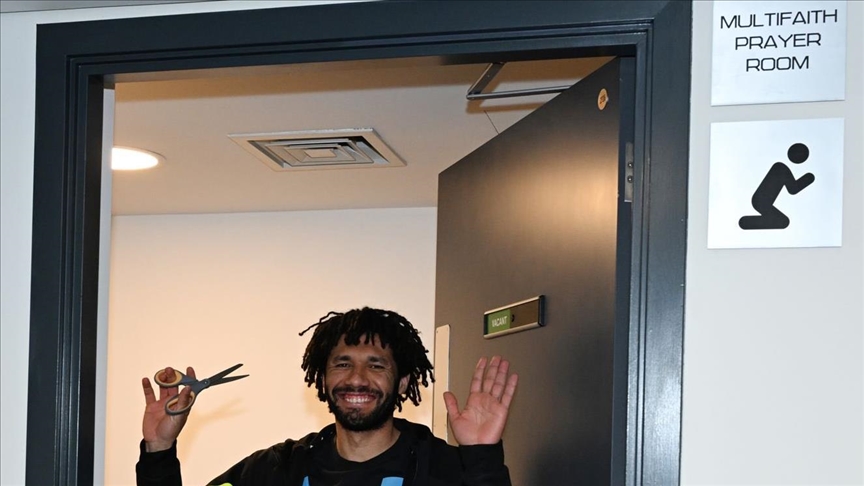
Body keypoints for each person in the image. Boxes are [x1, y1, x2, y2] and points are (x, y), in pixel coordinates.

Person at [136, 307, 518, 485]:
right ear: (321, 377)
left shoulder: (444, 470)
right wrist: (159, 450)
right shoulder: (276, 470)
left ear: (403, 382)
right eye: (342, 364)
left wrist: (482, 457)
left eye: (376, 365)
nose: (357, 379)